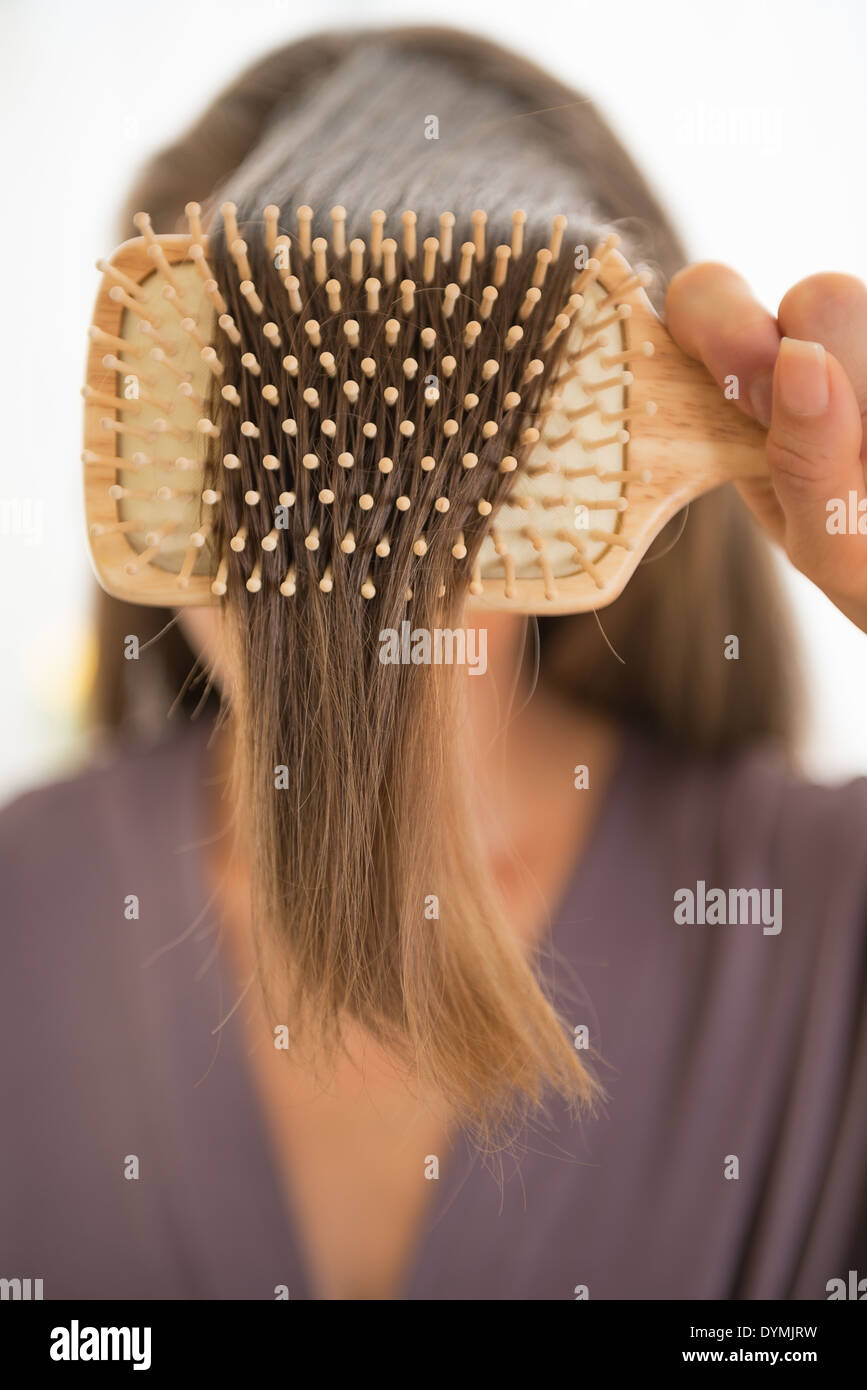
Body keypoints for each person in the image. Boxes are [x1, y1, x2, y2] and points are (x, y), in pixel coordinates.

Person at [2, 26, 866, 1301]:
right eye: (255, 432)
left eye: (403, 433)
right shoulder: (26, 909)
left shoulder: (827, 916)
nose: (320, 513)